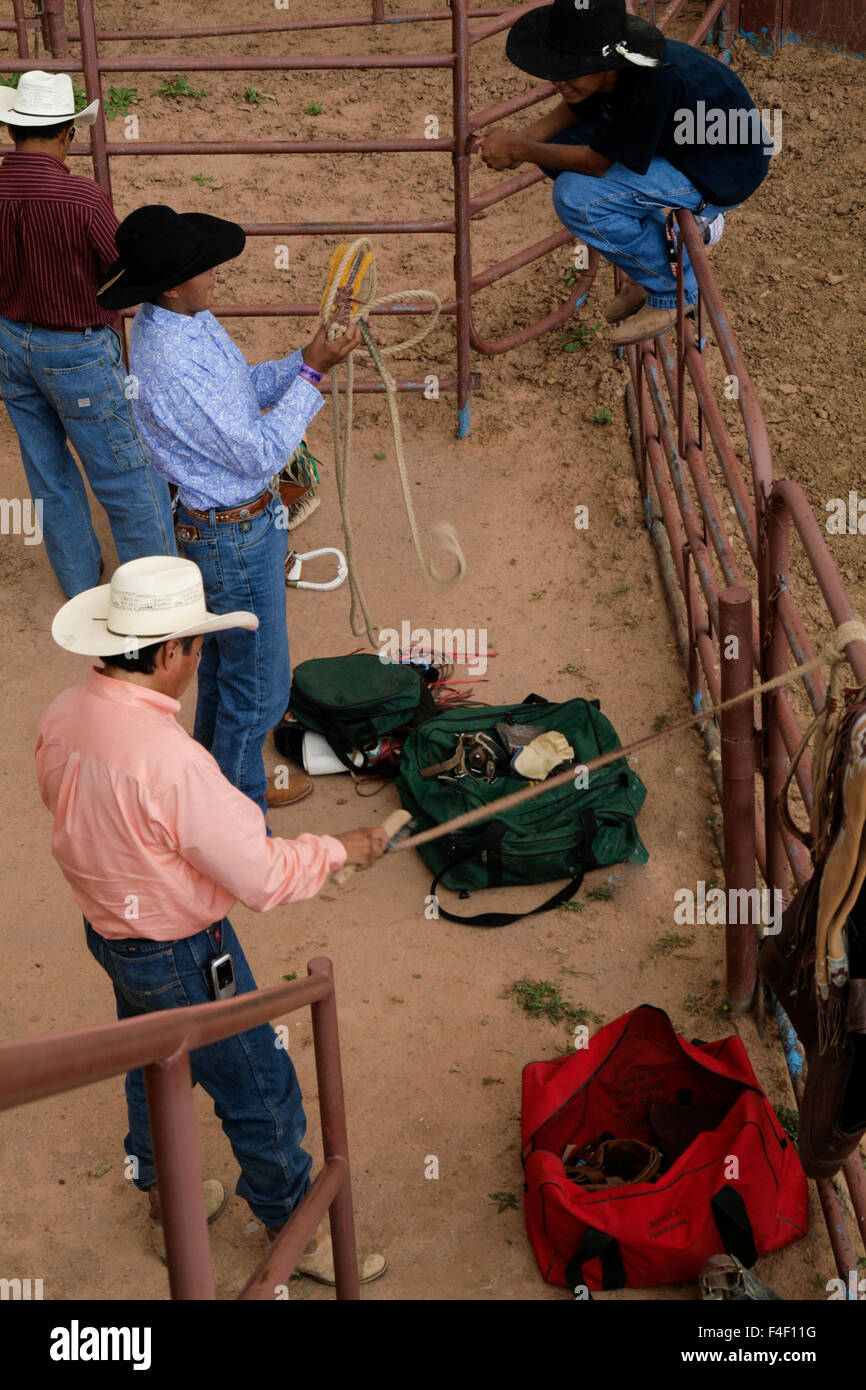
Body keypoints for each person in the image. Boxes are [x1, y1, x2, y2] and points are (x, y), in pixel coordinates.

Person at [36, 555, 389, 1282]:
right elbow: (259, 876)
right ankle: (296, 1227)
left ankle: (166, 1200)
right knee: (259, 1085)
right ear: (168, 653)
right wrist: (341, 849)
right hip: (182, 951)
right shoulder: (173, 762)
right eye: (195, 646)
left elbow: (61, 802)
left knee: (154, 1060)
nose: (199, 659)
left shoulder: (64, 714)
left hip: (111, 934)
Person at [97, 205, 360, 815]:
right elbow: (259, 452)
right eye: (202, 268)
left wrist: (302, 360)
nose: (215, 274)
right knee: (260, 689)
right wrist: (314, 373)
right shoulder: (174, 360)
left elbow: (240, 390)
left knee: (224, 670)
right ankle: (237, 819)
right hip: (232, 535)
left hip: (228, 530)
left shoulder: (187, 322)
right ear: (170, 285)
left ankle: (211, 787)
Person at [473, 0, 772, 346]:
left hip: (723, 166)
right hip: (683, 140)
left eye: (571, 70)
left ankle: (673, 289)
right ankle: (651, 263)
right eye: (556, 68)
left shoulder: (653, 80)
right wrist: (524, 139)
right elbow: (581, 104)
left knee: (576, 197)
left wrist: (520, 149)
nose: (558, 81)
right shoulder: (616, 68)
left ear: (604, 63)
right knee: (560, 149)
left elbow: (596, 163)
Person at [0, 71, 175, 598]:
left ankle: (79, 580)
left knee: (46, 469)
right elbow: (121, 267)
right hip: (76, 348)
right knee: (123, 470)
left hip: (9, 340)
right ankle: (157, 590)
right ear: (67, 134)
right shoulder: (81, 197)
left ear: (12, 130)